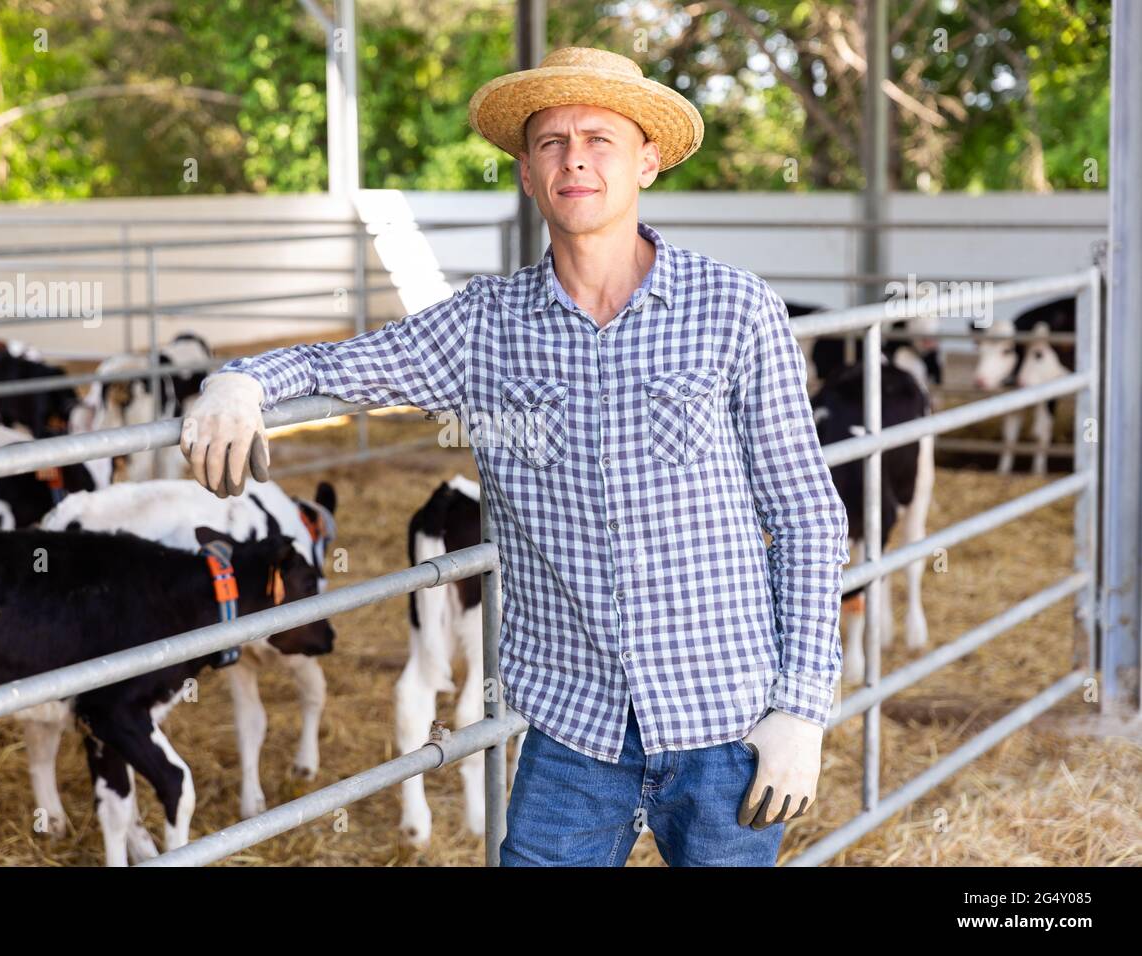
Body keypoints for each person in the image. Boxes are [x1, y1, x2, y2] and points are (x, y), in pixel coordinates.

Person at [181, 46, 850, 867]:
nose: (575, 157)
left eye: (600, 138)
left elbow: (807, 516)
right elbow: (339, 365)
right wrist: (240, 382)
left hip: (728, 724)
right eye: (550, 142)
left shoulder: (736, 310)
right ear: (528, 175)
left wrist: (802, 710)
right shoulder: (482, 326)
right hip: (575, 734)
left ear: (646, 161)